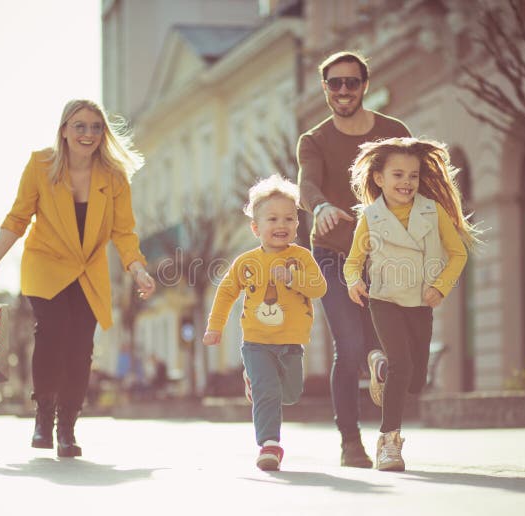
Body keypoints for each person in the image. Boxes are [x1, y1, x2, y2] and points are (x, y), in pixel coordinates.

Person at [0, 99, 155, 458]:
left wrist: (137, 268)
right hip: (46, 263)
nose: (88, 134)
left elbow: (124, 231)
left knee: (81, 345)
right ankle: (43, 414)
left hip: (88, 269)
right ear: (64, 130)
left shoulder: (114, 176)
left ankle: (67, 427)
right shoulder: (41, 165)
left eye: (95, 127)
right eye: (80, 126)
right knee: (53, 330)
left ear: (103, 134)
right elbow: (18, 218)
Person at [297, 50, 411, 468]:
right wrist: (321, 206)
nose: (343, 90)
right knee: (350, 346)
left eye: (351, 82)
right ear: (325, 88)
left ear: (364, 85)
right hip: (332, 254)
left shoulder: (393, 133)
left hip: (384, 255)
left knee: (390, 351)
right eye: (334, 83)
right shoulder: (313, 140)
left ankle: (390, 440)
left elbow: (413, 182)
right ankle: (350, 442)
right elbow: (306, 181)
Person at [344, 137, 479, 471]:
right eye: (397, 175)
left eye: (413, 176)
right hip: (384, 299)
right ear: (379, 178)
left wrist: (441, 287)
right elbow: (352, 261)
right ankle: (389, 443)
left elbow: (458, 252)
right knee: (402, 364)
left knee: (416, 380)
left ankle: (381, 368)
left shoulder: (431, 212)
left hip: (420, 302)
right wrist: (354, 281)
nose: (406, 183)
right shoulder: (370, 217)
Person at [203, 175, 327, 471]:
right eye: (272, 219)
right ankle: (269, 445)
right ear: (256, 228)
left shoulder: (302, 257)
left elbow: (319, 288)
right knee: (268, 390)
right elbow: (226, 293)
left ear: (297, 225)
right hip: (256, 342)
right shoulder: (246, 262)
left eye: (289, 218)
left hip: (291, 341)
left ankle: (254, 383)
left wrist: (294, 279)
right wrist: (215, 327)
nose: (281, 225)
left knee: (292, 393)